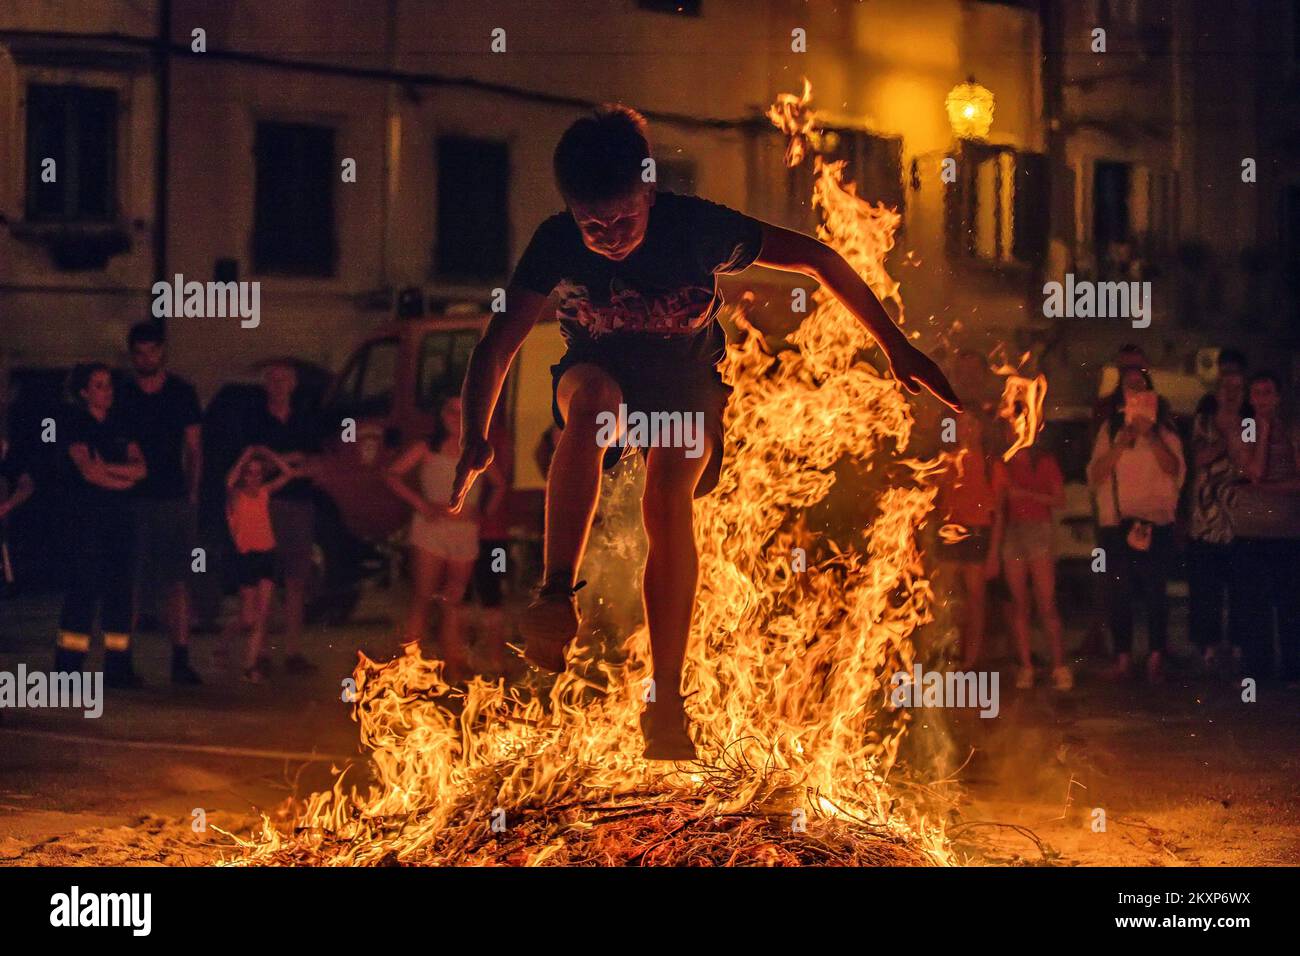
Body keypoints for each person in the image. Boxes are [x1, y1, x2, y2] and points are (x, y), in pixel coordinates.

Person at [450, 105, 960, 759]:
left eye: (624, 219)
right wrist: (475, 434)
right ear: (573, 215)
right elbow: (497, 346)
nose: (609, 237)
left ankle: (665, 702)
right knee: (593, 401)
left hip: (686, 389)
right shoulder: (554, 242)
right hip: (598, 372)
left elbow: (820, 260)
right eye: (593, 226)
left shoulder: (696, 228)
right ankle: (554, 593)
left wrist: (895, 345)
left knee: (667, 496)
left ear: (649, 191)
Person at [386, 395, 504, 678]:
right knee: (423, 596)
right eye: (451, 411)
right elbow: (391, 475)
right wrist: (423, 505)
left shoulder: (478, 450)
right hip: (432, 530)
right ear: (442, 414)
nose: (456, 417)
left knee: (454, 598)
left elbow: (499, 484)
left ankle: (454, 664)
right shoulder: (426, 447)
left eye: (462, 412)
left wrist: (482, 513)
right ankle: (408, 666)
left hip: (464, 532)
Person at [117, 322, 204, 684]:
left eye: (152, 351)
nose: (146, 358)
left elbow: (195, 448)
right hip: (133, 499)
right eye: (140, 352)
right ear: (133, 354)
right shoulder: (123, 393)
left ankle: (180, 660)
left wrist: (192, 492)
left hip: (171, 497)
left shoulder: (182, 392)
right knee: (131, 582)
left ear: (162, 351)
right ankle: (122, 660)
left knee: (176, 581)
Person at [1087, 363, 1185, 682]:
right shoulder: (1111, 430)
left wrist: (1151, 435)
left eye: (1140, 386)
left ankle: (1156, 656)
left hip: (1156, 522)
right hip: (1118, 523)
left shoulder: (1166, 431)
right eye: (1129, 387)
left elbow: (1175, 470)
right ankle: (1124, 658)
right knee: (1121, 593)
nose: (1135, 392)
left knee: (1156, 592)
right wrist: (1122, 441)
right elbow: (1096, 475)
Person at [54, 363, 147, 686]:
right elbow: (87, 471)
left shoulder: (121, 424)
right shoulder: (74, 423)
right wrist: (121, 478)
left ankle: (118, 667)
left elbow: (140, 469)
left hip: (120, 519)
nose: (106, 391)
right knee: (84, 588)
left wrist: (109, 470)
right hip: (86, 519)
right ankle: (67, 669)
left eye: (108, 385)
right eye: (98, 385)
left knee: (120, 590)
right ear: (84, 392)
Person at [245, 360, 322, 674]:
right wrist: (291, 461)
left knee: (295, 579)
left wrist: (277, 461)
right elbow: (253, 463)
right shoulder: (257, 421)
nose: (278, 385)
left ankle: (292, 651)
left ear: (293, 384)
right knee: (266, 579)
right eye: (272, 379)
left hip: (299, 505)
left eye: (283, 379)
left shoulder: (305, 419)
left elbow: (314, 462)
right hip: (265, 506)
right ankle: (259, 651)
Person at [1229, 372, 1300, 682]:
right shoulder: (1245, 428)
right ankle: (1258, 668)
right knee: (1253, 603)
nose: (1262, 399)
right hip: (1250, 529)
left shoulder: (1294, 429)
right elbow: (1254, 470)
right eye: (1256, 393)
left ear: (1278, 396)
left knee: (1289, 602)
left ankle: (1293, 666)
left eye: (1268, 392)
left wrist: (1265, 489)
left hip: (1287, 528)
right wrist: (1264, 429)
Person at [1188, 366, 1251, 669]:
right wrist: (1226, 438)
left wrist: (1232, 436)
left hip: (1238, 517)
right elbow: (1198, 457)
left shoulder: (1250, 423)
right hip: (1205, 516)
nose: (1231, 393)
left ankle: (1238, 642)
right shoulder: (1203, 421)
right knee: (1205, 588)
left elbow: (1247, 462)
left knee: (1240, 586)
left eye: (1237, 388)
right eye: (1226, 387)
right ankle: (1207, 645)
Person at [1001, 436, 1071, 690]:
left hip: (1039, 530)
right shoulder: (1004, 461)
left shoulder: (1043, 461)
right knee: (1019, 603)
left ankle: (1059, 666)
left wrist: (1026, 494)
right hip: (1013, 531)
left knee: (1046, 601)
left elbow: (1060, 500)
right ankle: (1026, 667)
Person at [935, 411, 1004, 671]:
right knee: (947, 599)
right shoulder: (946, 461)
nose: (967, 429)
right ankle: (947, 655)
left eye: (972, 424)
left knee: (976, 601)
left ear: (981, 429)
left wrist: (994, 553)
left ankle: (971, 661)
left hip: (977, 535)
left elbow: (998, 513)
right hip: (949, 534)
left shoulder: (991, 464)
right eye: (962, 425)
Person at [225, 445, 298, 683]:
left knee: (262, 615)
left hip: (267, 554)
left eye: (258, 473)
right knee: (247, 616)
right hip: (246, 557)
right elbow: (229, 481)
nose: (254, 478)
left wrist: (267, 454)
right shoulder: (236, 496)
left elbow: (288, 473)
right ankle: (223, 642)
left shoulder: (265, 492)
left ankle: (250, 665)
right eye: (250, 473)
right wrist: (247, 454)